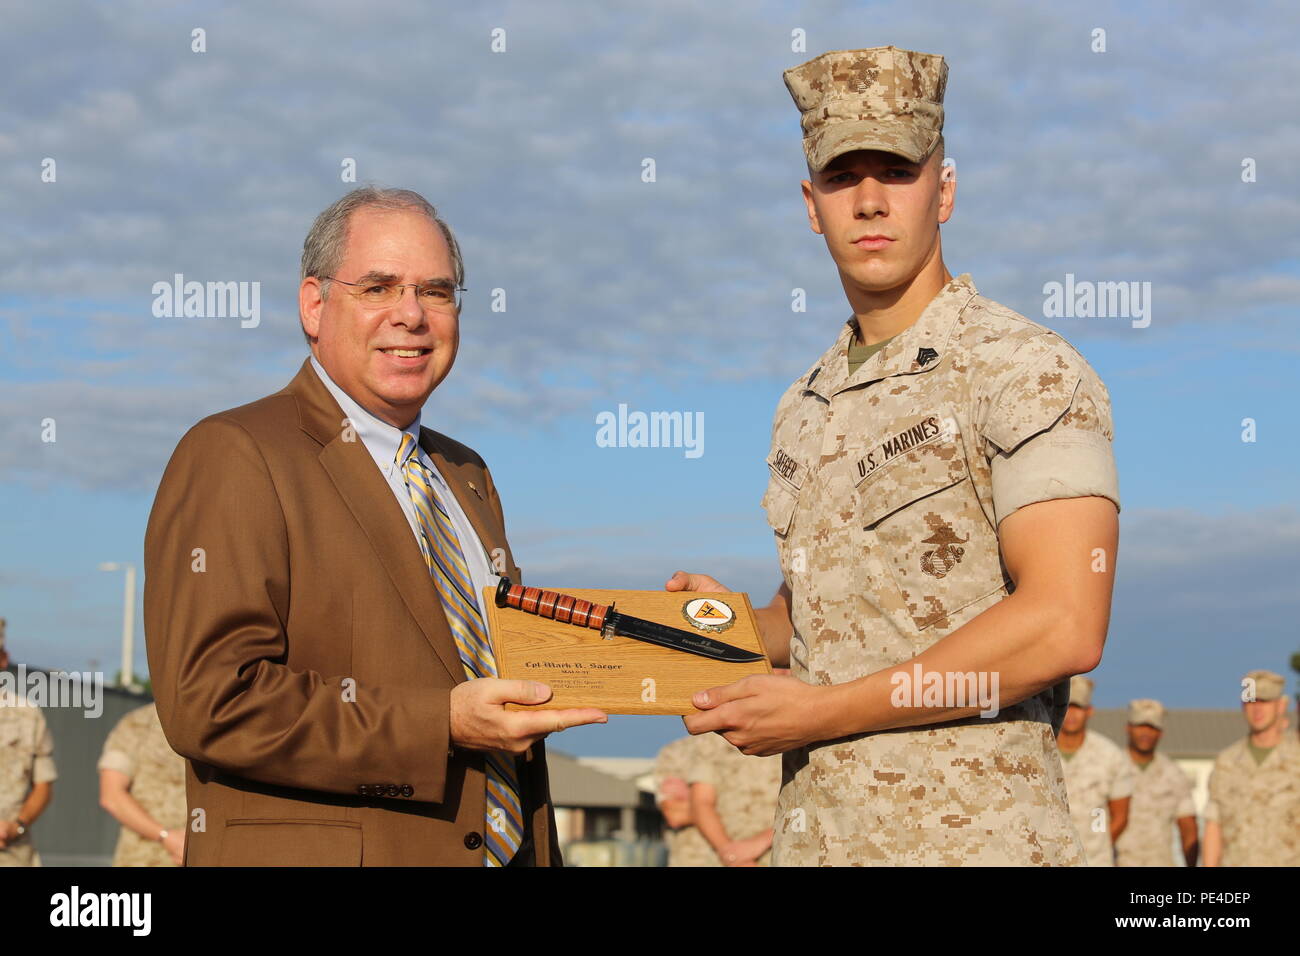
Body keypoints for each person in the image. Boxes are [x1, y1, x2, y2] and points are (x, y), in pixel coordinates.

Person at [671, 46, 1121, 865]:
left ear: (943, 189)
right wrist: (726, 627)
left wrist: (821, 713)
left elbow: (1064, 624)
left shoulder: (1022, 369)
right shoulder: (804, 404)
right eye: (844, 177)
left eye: (898, 171)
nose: (871, 200)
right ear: (812, 205)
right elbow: (820, 626)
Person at [144, 186, 606, 866]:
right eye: (379, 287)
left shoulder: (463, 471)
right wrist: (441, 724)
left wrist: (645, 653)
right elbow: (212, 698)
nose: (412, 315)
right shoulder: (236, 452)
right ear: (314, 304)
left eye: (437, 292)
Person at [1203, 669, 1300, 866]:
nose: (1257, 709)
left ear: (1281, 706)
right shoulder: (1226, 762)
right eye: (1250, 701)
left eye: (1264, 701)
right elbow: (1214, 826)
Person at [97, 703, 188, 866]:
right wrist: (166, 836)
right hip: (143, 859)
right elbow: (112, 796)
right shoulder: (136, 724)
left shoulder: (219, 722)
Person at [1057, 676, 1134, 866]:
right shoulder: (1040, 748)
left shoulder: (1110, 755)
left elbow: (1121, 816)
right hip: (1049, 856)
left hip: (1095, 859)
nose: (1072, 714)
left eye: (1078, 708)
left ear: (1089, 711)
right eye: (1067, 706)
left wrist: (1096, 844)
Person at [1114, 698, 1197, 867]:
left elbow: (1188, 829)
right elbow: (1096, 817)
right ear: (1128, 728)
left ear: (1161, 733)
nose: (1145, 733)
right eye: (1140, 726)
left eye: (1152, 727)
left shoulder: (1174, 774)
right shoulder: (1112, 768)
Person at [0, 624, 57, 866]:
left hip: (13, 854)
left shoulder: (27, 714)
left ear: (3, 659)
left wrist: (18, 825)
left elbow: (43, 785)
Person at [688, 729, 782, 867]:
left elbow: (812, 797)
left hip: (786, 851)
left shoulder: (793, 724)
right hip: (727, 857)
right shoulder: (712, 738)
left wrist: (762, 841)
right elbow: (701, 803)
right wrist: (732, 855)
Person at [653, 735, 717, 867]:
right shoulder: (678, 751)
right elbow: (675, 814)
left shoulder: (762, 746)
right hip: (695, 860)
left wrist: (694, 798)